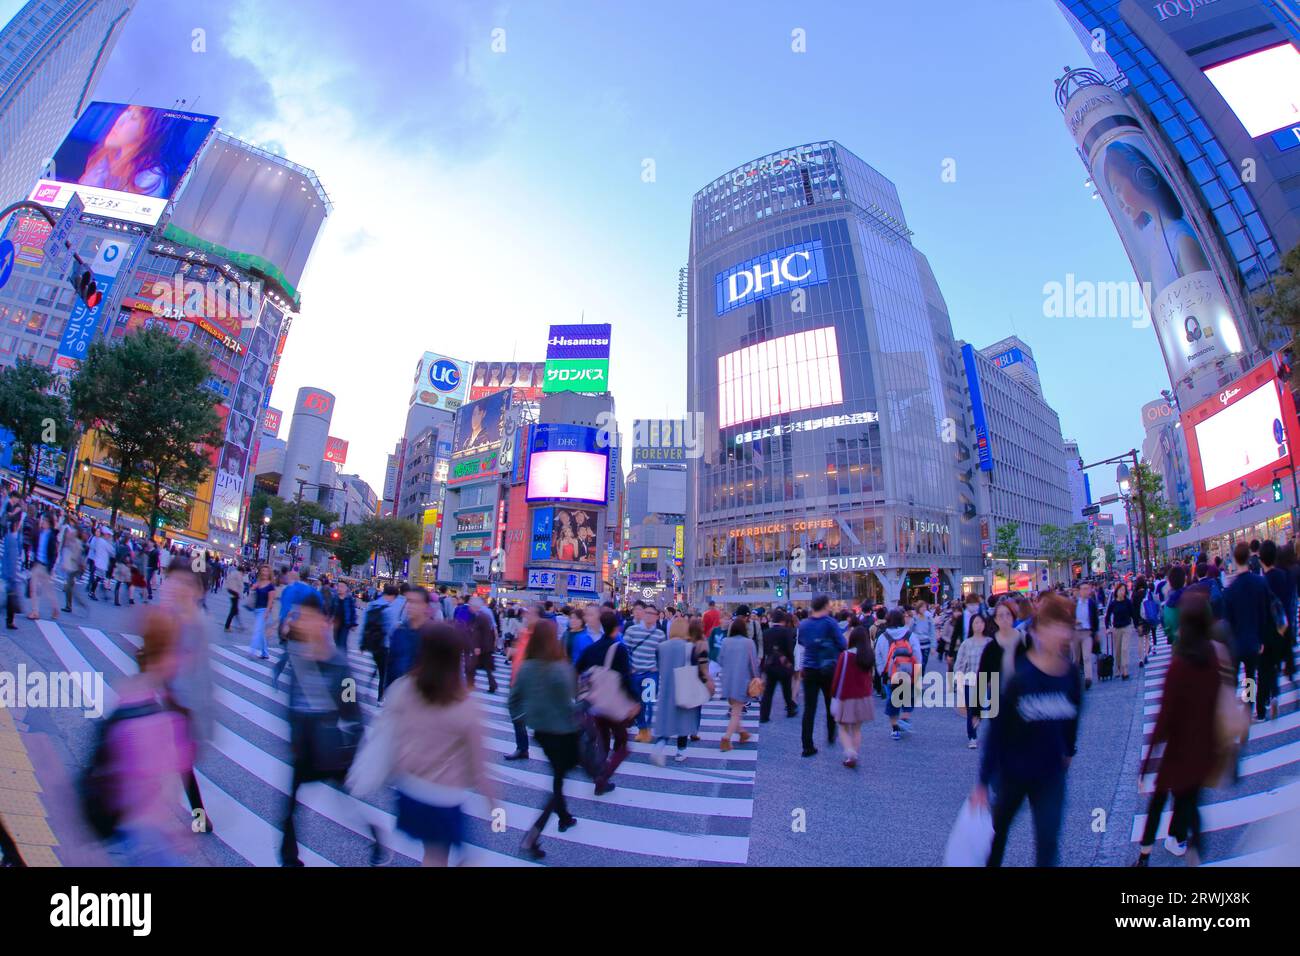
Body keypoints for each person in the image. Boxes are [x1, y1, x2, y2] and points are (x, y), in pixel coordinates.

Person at [973, 593, 1082, 867]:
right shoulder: (1022, 678)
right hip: (1013, 772)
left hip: (1050, 775)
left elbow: (1072, 721)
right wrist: (984, 781)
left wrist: (1068, 751)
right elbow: (996, 731)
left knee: (1047, 843)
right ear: (1037, 632)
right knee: (997, 835)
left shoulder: (1070, 676)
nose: (1059, 634)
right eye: (1051, 627)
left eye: (1064, 627)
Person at [372, 622, 494, 866]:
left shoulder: (405, 689)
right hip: (443, 796)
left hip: (409, 789)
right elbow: (479, 770)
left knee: (433, 853)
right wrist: (495, 806)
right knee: (439, 856)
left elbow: (390, 735)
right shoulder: (466, 707)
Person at [278, 593, 371, 867]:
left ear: (325, 621)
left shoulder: (339, 664)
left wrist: (352, 751)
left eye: (307, 617)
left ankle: (375, 836)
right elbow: (291, 699)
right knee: (290, 808)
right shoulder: (297, 655)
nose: (301, 623)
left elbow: (353, 711)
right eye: (299, 617)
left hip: (331, 746)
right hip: (305, 743)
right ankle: (289, 859)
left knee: (347, 807)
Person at [98, 613, 194, 865]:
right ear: (164, 657)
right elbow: (154, 780)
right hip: (144, 832)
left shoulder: (132, 693)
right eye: (177, 652)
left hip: (131, 825)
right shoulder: (154, 715)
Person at [1135, 593, 1219, 866]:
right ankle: (1193, 846)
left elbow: (1165, 717)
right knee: (1190, 800)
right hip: (1203, 743)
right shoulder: (1212, 659)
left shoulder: (1179, 665)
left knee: (1158, 802)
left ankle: (1144, 856)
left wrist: (1147, 763)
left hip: (1177, 747)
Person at [508, 618, 578, 859]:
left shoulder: (526, 667)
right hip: (564, 732)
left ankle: (565, 816)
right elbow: (571, 701)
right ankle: (533, 836)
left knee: (559, 777)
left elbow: (513, 699)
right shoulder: (560, 667)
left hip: (541, 731)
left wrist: (524, 718)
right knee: (560, 781)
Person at [576, 610, 638, 795]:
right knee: (623, 745)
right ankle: (603, 777)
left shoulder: (592, 648)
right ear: (617, 627)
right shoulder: (618, 648)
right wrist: (635, 701)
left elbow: (577, 669)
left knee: (603, 742)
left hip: (595, 703)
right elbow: (626, 679)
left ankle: (599, 780)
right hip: (614, 704)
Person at [1223, 540, 1274, 721]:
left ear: (1235, 560)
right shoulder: (1259, 583)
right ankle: (1250, 707)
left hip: (1236, 642)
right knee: (1250, 676)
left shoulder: (1230, 590)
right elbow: (1265, 613)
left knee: (1233, 679)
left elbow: (1227, 620)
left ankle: (1230, 712)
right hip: (1255, 639)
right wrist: (1262, 638)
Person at [651, 618, 709, 765]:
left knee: (666, 721)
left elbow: (658, 665)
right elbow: (697, 669)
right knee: (683, 720)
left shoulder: (661, 647)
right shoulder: (689, 647)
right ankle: (680, 751)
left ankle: (659, 746)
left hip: (666, 688)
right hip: (684, 687)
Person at [797, 594, 847, 757]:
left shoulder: (804, 624)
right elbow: (842, 643)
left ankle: (807, 745)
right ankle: (831, 733)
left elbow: (803, 642)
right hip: (828, 668)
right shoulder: (830, 623)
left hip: (809, 668)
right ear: (825, 606)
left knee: (809, 708)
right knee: (829, 702)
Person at [830, 625, 875, 768]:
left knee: (843, 728)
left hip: (846, 696)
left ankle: (849, 752)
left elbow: (838, 677)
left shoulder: (846, 656)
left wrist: (833, 694)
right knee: (857, 729)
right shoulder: (868, 655)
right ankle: (854, 754)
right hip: (863, 697)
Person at [1261, 540, 1295, 722]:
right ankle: (1275, 694)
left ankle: (1254, 703)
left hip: (1266, 632)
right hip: (1283, 627)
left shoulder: (1262, 582)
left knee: (1259, 672)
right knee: (1276, 664)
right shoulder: (1284, 576)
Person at [875, 609, 921, 740]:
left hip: (890, 675)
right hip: (908, 674)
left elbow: (877, 656)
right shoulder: (910, 635)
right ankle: (905, 719)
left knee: (893, 700)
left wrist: (881, 671)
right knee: (908, 699)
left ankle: (895, 729)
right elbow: (917, 654)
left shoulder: (883, 637)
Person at [623, 603, 665, 743]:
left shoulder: (659, 634)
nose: (648, 615)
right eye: (646, 612)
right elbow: (625, 650)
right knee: (638, 702)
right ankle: (642, 728)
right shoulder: (632, 630)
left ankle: (647, 728)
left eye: (651, 614)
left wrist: (657, 667)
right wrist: (630, 667)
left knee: (649, 702)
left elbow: (661, 654)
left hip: (651, 673)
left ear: (656, 617)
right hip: (635, 672)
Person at [504, 602, 540, 761]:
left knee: (522, 715)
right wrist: (513, 651)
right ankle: (522, 747)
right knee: (516, 714)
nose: (527, 616)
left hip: (529, 682)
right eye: (527, 613)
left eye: (531, 614)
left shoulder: (540, 636)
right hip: (516, 679)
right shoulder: (525, 632)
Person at [718, 619, 759, 752]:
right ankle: (726, 738)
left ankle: (742, 733)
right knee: (736, 712)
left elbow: (720, 660)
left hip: (727, 681)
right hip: (742, 680)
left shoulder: (725, 641)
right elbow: (753, 663)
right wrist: (756, 677)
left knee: (735, 709)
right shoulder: (749, 643)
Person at [953, 612, 992, 749]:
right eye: (975, 622)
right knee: (971, 710)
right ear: (971, 625)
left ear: (985, 624)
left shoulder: (990, 642)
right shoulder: (966, 644)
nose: (978, 625)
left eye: (981, 622)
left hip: (986, 681)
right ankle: (972, 736)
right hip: (970, 681)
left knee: (985, 709)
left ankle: (988, 733)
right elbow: (959, 664)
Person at [386, 587, 434, 691]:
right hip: (399, 691)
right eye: (408, 601)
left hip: (424, 694)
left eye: (416, 602)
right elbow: (391, 664)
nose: (410, 606)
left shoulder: (434, 635)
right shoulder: (399, 632)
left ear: (425, 605)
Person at [758, 608, 798, 722]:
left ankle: (764, 715)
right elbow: (790, 650)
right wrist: (791, 663)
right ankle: (790, 710)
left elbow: (765, 650)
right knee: (787, 690)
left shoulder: (766, 632)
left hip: (770, 665)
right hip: (784, 665)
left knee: (768, 692)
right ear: (783, 620)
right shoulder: (787, 632)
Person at [26, 513, 58, 621]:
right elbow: (34, 546)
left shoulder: (52, 536)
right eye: (42, 520)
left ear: (49, 523)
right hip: (37, 563)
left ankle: (55, 608)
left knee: (48, 589)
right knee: (33, 587)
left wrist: (51, 567)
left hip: (45, 566)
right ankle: (35, 611)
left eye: (44, 521)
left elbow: (54, 553)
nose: (42, 522)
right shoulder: (39, 533)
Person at [1104, 582, 1137, 680]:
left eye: (1124, 590)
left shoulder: (1127, 602)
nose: (1122, 592)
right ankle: (1117, 667)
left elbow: (1133, 614)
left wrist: (1137, 625)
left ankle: (1125, 670)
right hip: (1116, 628)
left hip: (1126, 627)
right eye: (1120, 590)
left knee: (1124, 649)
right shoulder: (1113, 603)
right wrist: (1107, 628)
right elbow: (1107, 617)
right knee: (1118, 651)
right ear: (1116, 591)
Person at [1072, 582, 1100, 690]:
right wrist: (1074, 621)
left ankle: (1088, 678)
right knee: (1076, 658)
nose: (1086, 591)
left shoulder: (1091, 603)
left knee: (1087, 656)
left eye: (1087, 589)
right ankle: (1075, 679)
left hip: (1087, 632)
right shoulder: (1074, 603)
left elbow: (1095, 619)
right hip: (1075, 632)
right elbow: (1069, 617)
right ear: (1079, 591)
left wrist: (1095, 632)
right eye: (1083, 589)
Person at [248, 566, 275, 661]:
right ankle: (265, 653)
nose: (264, 572)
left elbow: (271, 601)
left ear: (269, 573)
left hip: (264, 610)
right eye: (263, 570)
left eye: (266, 571)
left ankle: (252, 651)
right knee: (261, 632)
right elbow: (251, 591)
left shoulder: (270, 586)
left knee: (257, 630)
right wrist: (253, 587)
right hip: (256, 609)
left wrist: (267, 612)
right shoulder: (258, 583)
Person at [332, 581, 357, 652]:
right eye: (339, 586)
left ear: (346, 588)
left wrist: (354, 624)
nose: (340, 588)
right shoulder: (335, 597)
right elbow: (331, 608)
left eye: (342, 586)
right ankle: (339, 655)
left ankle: (343, 658)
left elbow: (353, 612)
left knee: (342, 641)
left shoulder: (349, 599)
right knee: (336, 640)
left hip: (345, 624)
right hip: (336, 624)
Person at [223, 564, 245, 631]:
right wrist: (241, 595)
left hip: (230, 592)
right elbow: (240, 585)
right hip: (235, 593)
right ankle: (227, 626)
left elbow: (227, 581)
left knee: (235, 610)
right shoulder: (239, 575)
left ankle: (240, 625)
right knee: (233, 610)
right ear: (242, 571)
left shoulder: (233, 573)